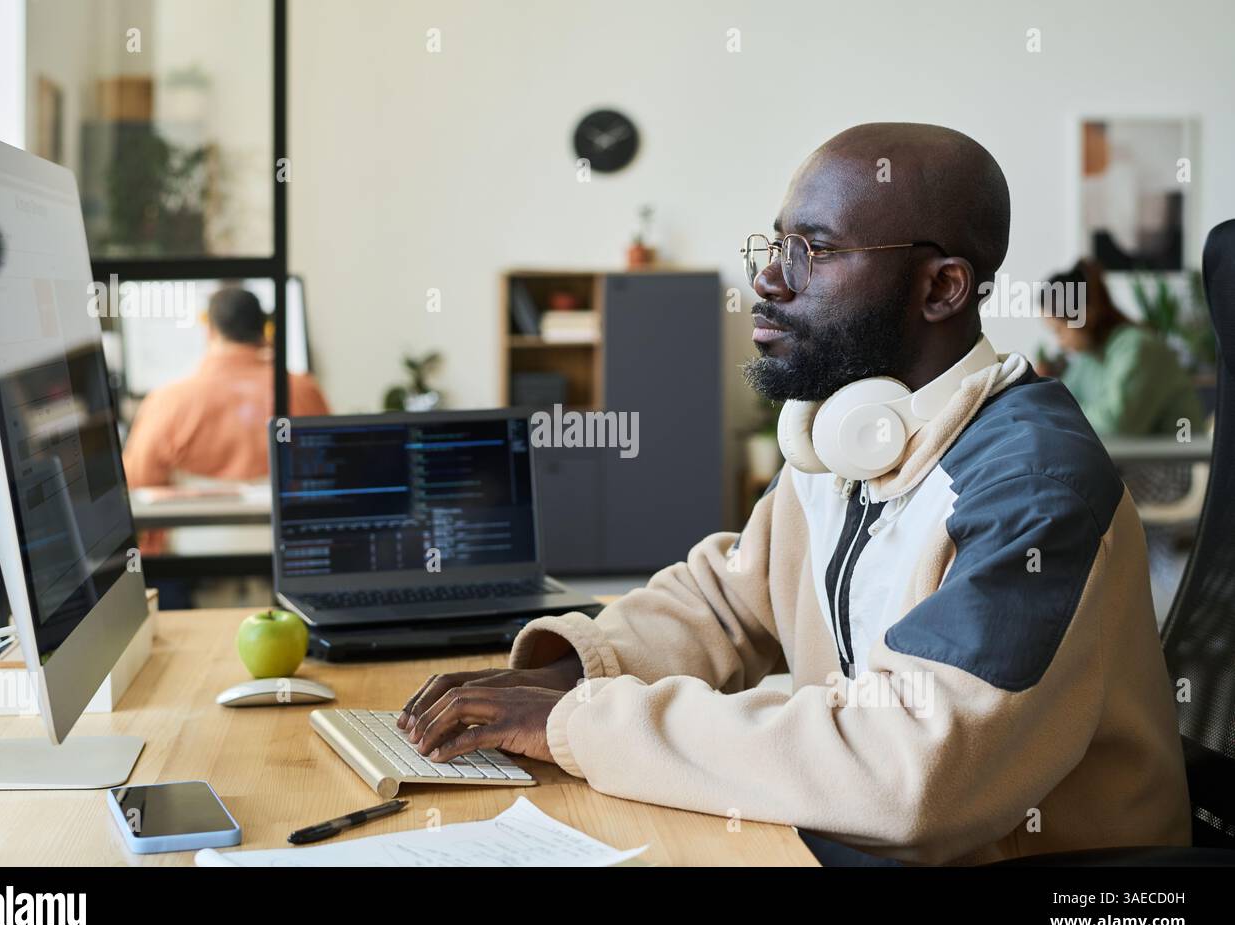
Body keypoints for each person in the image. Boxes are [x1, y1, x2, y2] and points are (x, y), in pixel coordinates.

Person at [396, 123, 1190, 865]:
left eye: (812, 249)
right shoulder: (850, 435)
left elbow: (909, 770)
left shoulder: (1034, 490)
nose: (768, 279)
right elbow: (728, 599)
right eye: (774, 244)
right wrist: (573, 671)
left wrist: (579, 724)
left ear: (943, 288)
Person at [123, 287, 330, 488]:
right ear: (264, 330)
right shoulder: (305, 391)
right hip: (288, 521)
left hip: (195, 523)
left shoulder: (169, 401)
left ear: (210, 331)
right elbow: (333, 463)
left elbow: (136, 482)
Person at [1037, 258, 1203, 437]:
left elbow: (1115, 427)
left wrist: (1059, 413)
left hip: (1177, 458)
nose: (1060, 343)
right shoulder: (1089, 358)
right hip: (1132, 460)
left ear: (1085, 315)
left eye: (1059, 331)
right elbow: (1059, 404)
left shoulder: (1138, 348)